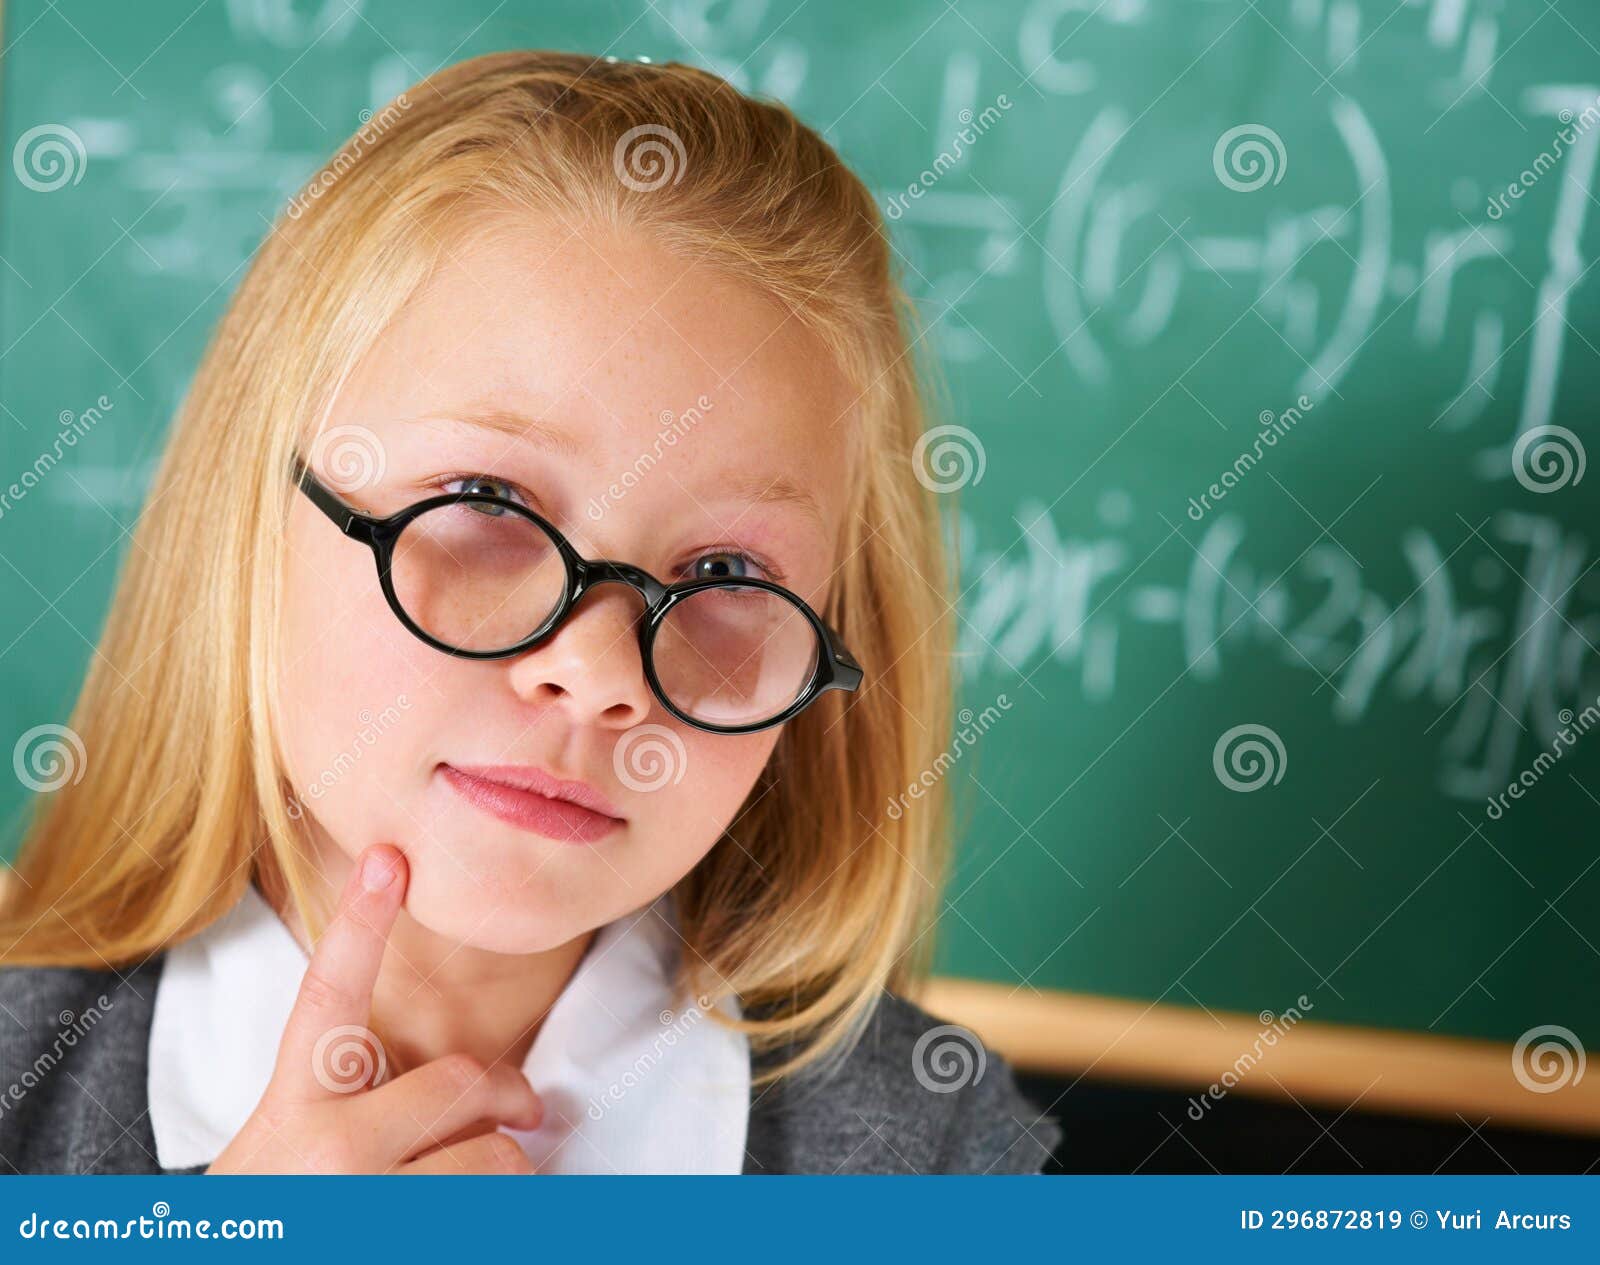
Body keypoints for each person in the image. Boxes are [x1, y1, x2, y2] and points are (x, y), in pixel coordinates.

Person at [0, 50, 1059, 1175]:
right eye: (486, 503)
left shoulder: (937, 1154)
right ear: (257, 509)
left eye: (726, 573)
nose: (600, 672)